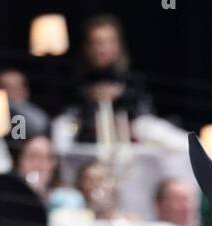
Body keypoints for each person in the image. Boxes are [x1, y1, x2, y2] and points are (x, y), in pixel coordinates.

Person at [61, 13, 153, 144]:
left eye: (108, 42)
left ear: (119, 45)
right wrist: (89, 97)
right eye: (96, 43)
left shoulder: (135, 82)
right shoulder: (74, 85)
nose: (102, 49)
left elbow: (147, 119)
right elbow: (66, 121)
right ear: (86, 47)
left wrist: (121, 95)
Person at [0, 69, 50, 143]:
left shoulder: (35, 111)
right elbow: (17, 142)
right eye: (10, 87)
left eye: (20, 86)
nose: (18, 91)